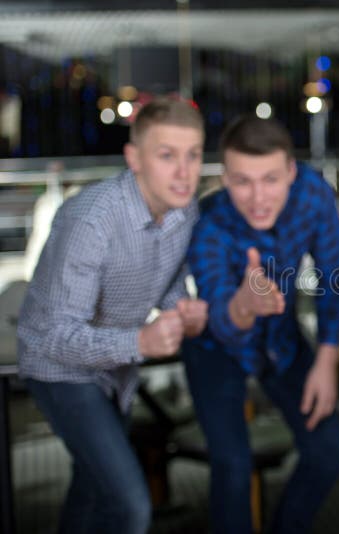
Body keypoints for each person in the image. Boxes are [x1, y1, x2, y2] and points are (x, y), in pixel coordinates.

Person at [17, 96, 209, 534]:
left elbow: (169, 279)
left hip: (116, 367)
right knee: (129, 506)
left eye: (193, 155)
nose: (184, 172)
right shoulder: (92, 219)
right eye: (167, 156)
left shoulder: (186, 209)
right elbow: (55, 336)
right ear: (134, 158)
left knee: (91, 488)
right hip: (58, 367)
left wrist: (182, 309)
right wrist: (140, 342)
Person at [181, 114, 339, 534]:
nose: (258, 197)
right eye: (242, 181)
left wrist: (327, 358)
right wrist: (245, 304)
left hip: (282, 338)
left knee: (328, 452)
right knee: (233, 467)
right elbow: (221, 321)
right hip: (215, 347)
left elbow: (332, 276)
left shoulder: (313, 194)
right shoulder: (208, 224)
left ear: (291, 171)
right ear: (225, 178)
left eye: (270, 179)